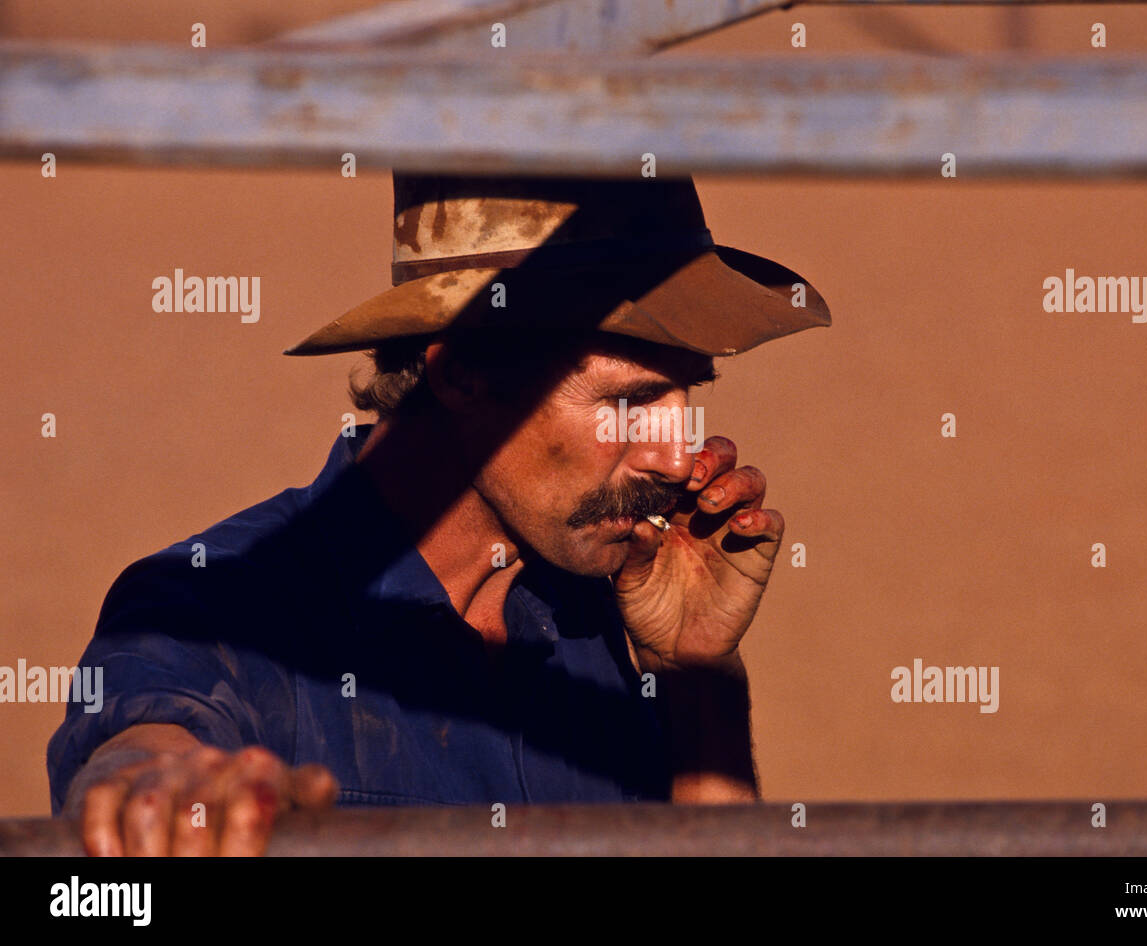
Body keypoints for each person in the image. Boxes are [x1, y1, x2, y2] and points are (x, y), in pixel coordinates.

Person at [47, 173, 831, 856]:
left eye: (689, 391)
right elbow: (138, 749)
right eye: (629, 401)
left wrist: (699, 679)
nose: (674, 454)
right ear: (460, 375)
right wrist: (158, 780)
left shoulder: (617, 620)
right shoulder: (216, 603)